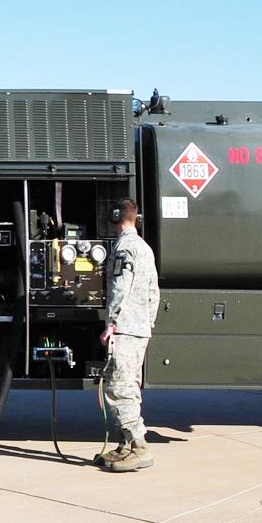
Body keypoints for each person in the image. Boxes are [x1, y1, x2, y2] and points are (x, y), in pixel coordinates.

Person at [100, 197, 160, 473]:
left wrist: (111, 322)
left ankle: (138, 446)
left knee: (118, 389)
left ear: (116, 218)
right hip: (140, 328)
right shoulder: (145, 248)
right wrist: (147, 324)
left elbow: (119, 287)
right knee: (129, 386)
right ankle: (125, 444)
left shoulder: (124, 247)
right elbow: (153, 293)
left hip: (125, 328)